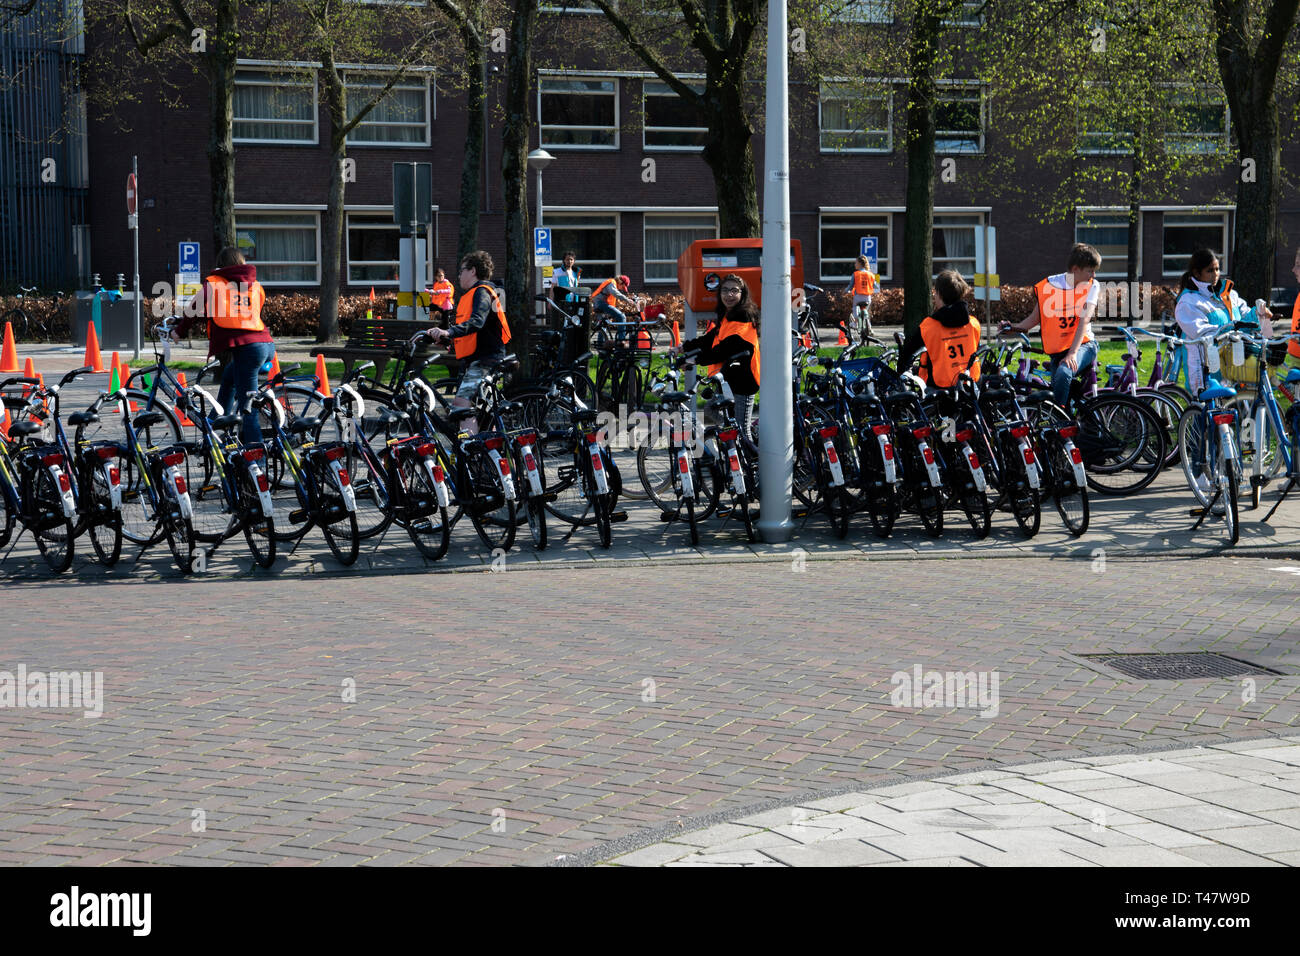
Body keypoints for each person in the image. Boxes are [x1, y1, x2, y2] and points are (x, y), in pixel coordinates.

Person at [173, 246, 274, 444]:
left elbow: (194, 307)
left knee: (248, 407)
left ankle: (257, 460)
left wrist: (179, 331)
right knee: (228, 376)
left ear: (221, 265)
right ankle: (218, 419)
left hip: (248, 349)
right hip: (266, 343)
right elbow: (237, 314)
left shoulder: (215, 283)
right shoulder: (255, 285)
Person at [999, 242, 1102, 407]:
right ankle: (1070, 424)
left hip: (1084, 345)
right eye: (1090, 271)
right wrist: (1011, 329)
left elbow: (1084, 321)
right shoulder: (1049, 285)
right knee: (1060, 395)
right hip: (1058, 352)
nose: (1093, 276)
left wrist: (1072, 354)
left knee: (1063, 374)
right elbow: (1034, 319)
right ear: (1075, 269)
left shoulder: (1092, 286)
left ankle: (1058, 420)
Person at [426, 251, 511, 436]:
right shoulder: (479, 292)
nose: (459, 275)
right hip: (483, 356)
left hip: (485, 359)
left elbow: (477, 322)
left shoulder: (482, 292)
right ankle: (490, 453)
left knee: (461, 405)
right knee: (484, 412)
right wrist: (449, 340)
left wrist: (448, 331)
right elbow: (481, 330)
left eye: (461, 270)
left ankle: (471, 450)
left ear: (472, 271)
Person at [1172, 248, 1273, 394]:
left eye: (1217, 269)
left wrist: (1259, 313)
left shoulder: (1229, 294)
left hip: (1233, 366)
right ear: (1196, 273)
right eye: (1210, 270)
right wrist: (1232, 329)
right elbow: (1201, 332)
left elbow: (1243, 316)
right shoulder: (1188, 302)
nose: (1216, 274)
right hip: (1204, 369)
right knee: (1207, 413)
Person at [676, 273, 761, 442]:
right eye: (725, 290)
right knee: (711, 410)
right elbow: (711, 339)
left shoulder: (743, 316)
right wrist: (683, 347)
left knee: (742, 431)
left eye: (734, 291)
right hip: (727, 379)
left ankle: (755, 464)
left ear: (742, 294)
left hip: (743, 381)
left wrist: (693, 360)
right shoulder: (727, 316)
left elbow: (724, 350)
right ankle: (731, 440)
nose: (729, 295)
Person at [914, 270, 980, 389]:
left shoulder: (928, 326)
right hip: (971, 385)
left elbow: (909, 354)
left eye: (935, 292)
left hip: (938, 388)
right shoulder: (974, 323)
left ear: (939, 294)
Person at [591, 274, 641, 339]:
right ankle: (621, 341)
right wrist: (627, 300)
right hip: (600, 303)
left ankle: (600, 344)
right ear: (620, 282)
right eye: (623, 287)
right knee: (621, 317)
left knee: (603, 323)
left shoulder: (613, 284)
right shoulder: (612, 283)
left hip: (599, 303)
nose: (622, 289)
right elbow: (615, 293)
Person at [843, 254, 877, 341]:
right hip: (867, 298)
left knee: (855, 309)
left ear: (860, 264)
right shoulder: (871, 275)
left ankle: (855, 323)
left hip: (858, 297)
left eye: (856, 263)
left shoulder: (856, 274)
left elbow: (850, 286)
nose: (855, 265)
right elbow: (875, 286)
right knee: (865, 313)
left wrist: (846, 291)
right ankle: (869, 328)